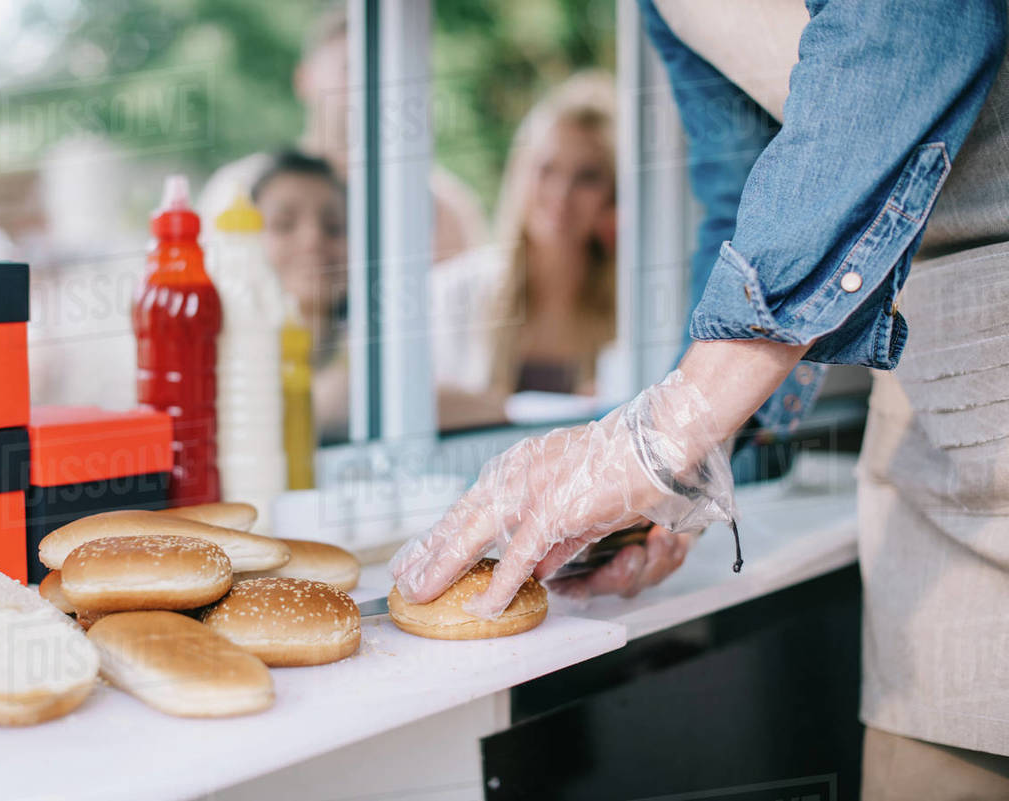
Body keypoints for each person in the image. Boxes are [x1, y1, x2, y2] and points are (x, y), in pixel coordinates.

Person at [393, 1, 1009, 796]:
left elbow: (908, 33)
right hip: (936, 452)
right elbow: (745, 200)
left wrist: (666, 430)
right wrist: (680, 476)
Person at [199, 5, 489, 265]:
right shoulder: (237, 192)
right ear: (304, 80)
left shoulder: (444, 211)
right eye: (351, 69)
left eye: (387, 73)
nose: (372, 87)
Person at [433, 72, 618, 428]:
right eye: (546, 170)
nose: (561, 195)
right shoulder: (458, 291)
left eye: (588, 177)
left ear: (613, 193)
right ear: (521, 171)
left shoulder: (628, 306)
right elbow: (413, 405)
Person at [250, 150, 350, 444]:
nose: (312, 240)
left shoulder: (381, 352)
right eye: (283, 224)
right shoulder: (226, 361)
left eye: (334, 228)